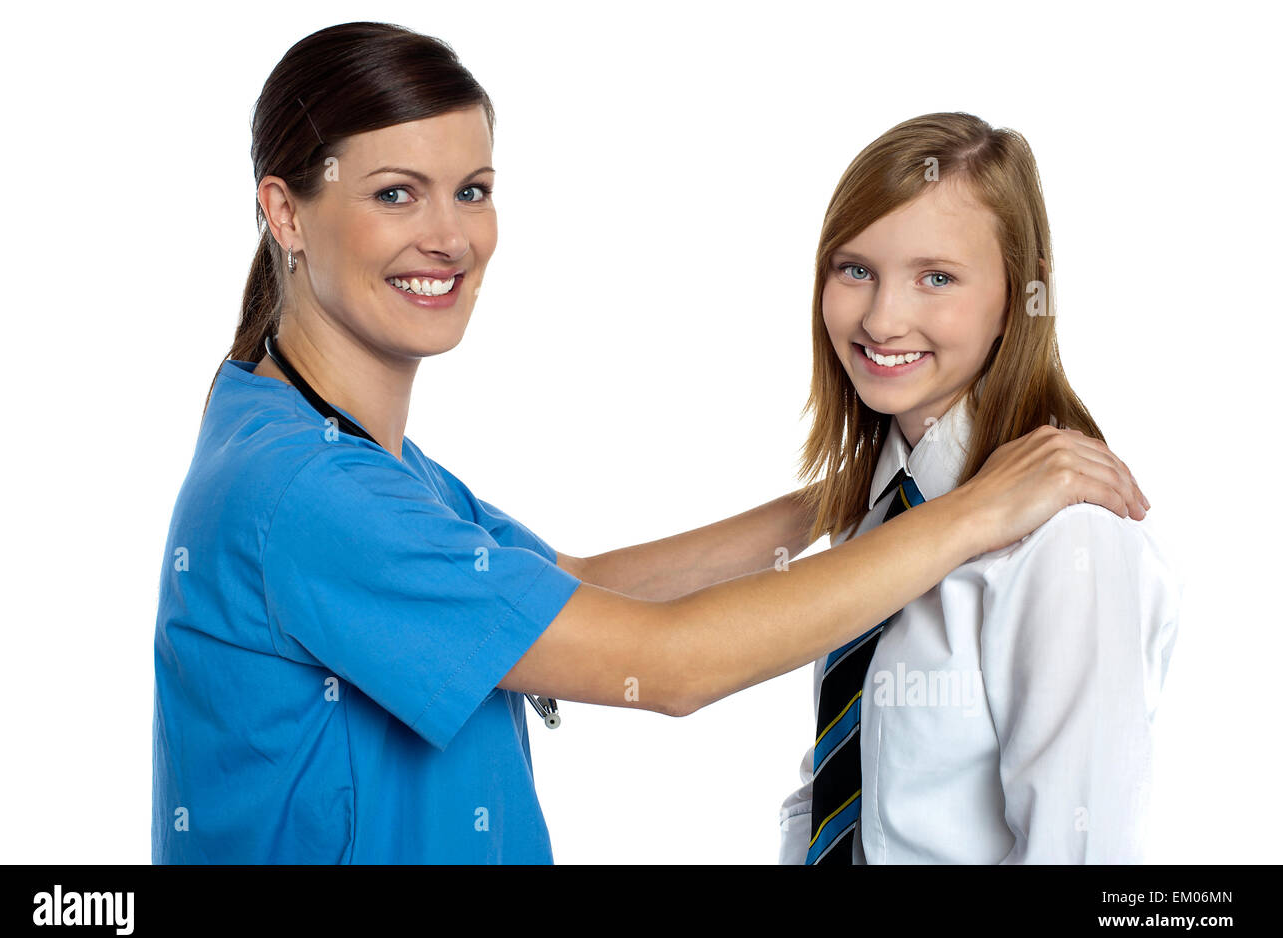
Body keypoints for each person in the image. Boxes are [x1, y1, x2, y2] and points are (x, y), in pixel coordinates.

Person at [152, 23, 1149, 864]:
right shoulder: (311, 494)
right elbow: (668, 665)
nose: (450, 237)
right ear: (285, 210)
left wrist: (847, 499)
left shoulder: (334, 449)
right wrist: (964, 514)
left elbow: (577, 585)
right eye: (395, 193)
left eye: (473, 189)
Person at [777, 112, 1180, 864]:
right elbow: (836, 790)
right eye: (855, 269)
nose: (882, 318)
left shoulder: (1068, 541)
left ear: (1016, 301)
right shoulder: (877, 512)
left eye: (938, 278)